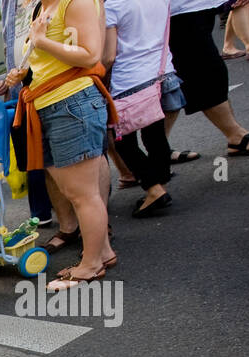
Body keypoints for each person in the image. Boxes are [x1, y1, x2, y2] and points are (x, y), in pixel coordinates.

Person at [11, 0, 116, 288]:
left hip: (71, 103)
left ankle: (91, 265)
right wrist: (24, 74)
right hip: (48, 104)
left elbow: (90, 54)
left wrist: (42, 41)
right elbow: (45, 58)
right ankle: (102, 252)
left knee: (83, 194)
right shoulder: (40, 8)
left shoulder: (75, 2)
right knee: (74, 191)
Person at [168, 0, 249, 158]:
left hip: (196, 7)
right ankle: (236, 135)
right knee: (205, 73)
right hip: (176, 12)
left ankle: (156, 150)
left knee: (174, 85)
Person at [104, 0, 176, 218]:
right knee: (155, 135)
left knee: (123, 142)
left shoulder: (113, 6)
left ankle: (154, 189)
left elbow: (108, 56)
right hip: (160, 72)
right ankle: (159, 183)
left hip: (129, 80)